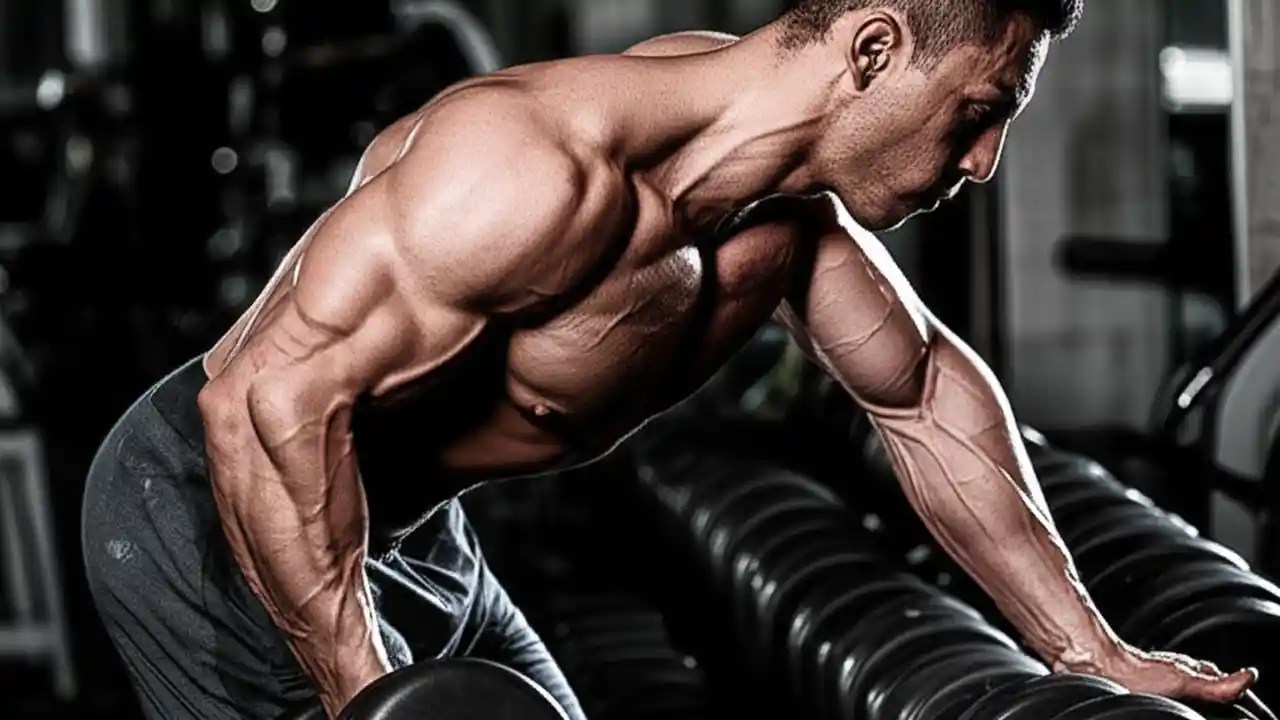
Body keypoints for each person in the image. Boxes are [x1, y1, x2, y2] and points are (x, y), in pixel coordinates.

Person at [82, 1, 1258, 718]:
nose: (986, 159)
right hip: (215, 499)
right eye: (976, 110)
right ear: (872, 49)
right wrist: (373, 698)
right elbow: (264, 402)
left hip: (407, 527)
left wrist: (1090, 651)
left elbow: (922, 394)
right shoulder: (525, 172)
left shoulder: (781, 219)